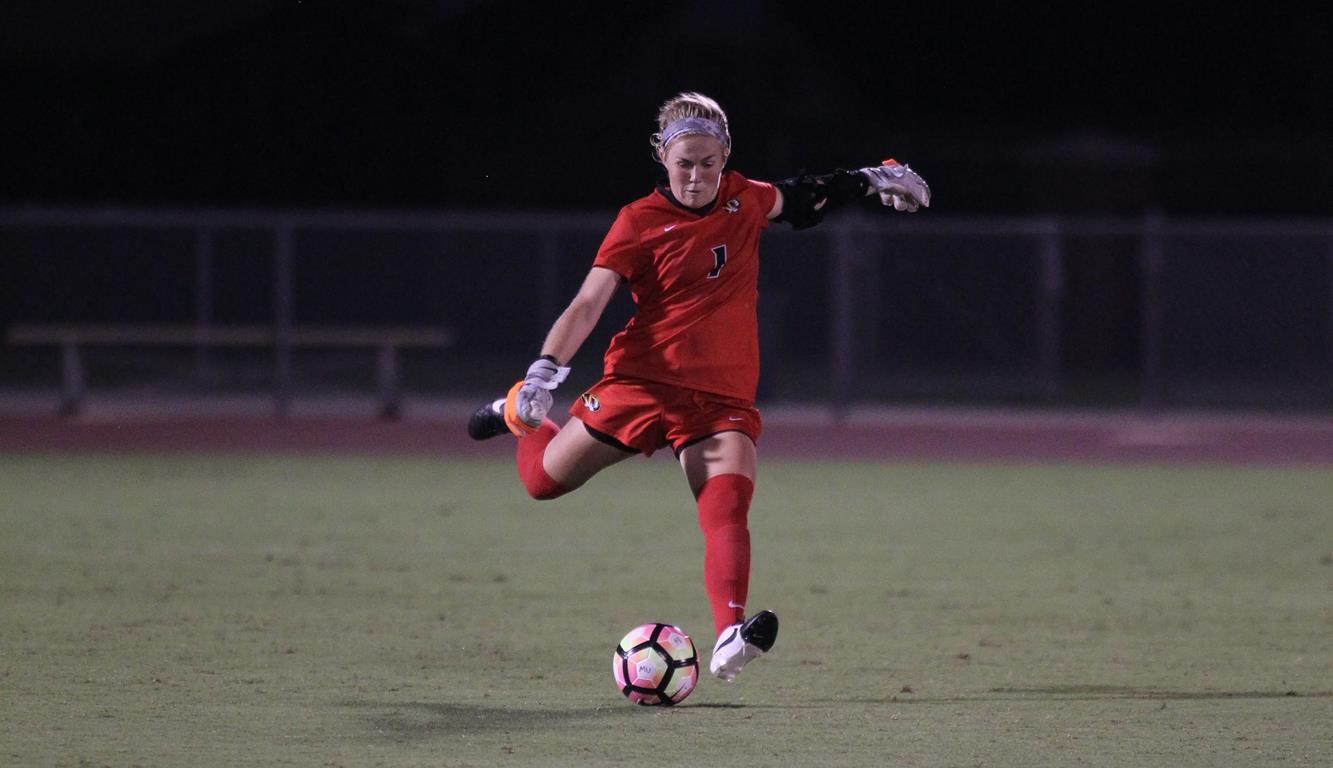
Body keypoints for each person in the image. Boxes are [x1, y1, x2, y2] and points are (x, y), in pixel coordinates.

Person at [468, 91, 930, 682]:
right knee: (540, 483)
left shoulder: (745, 197)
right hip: (640, 383)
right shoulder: (637, 221)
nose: (696, 175)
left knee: (727, 511)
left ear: (726, 157)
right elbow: (588, 304)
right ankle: (517, 413)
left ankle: (730, 635)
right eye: (684, 162)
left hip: (719, 399)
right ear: (662, 157)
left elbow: (812, 193)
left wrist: (876, 178)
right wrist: (542, 373)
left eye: (708, 163)